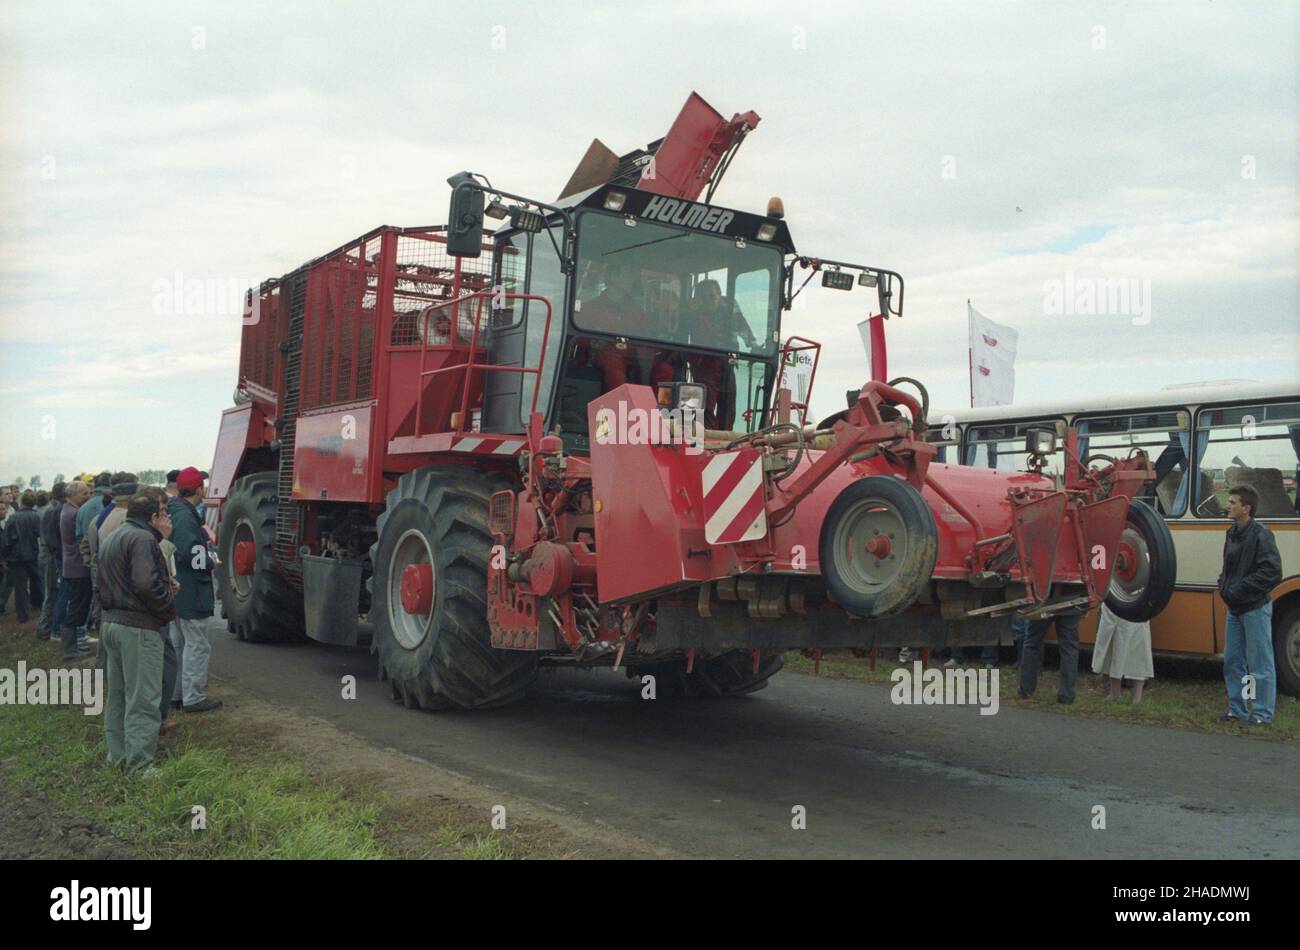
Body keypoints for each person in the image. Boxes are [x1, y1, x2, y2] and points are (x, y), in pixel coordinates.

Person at [97, 491, 176, 772]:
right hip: (138, 627)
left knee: (118, 696)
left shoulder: (114, 536)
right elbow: (144, 584)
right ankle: (140, 767)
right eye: (164, 514)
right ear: (152, 517)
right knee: (143, 698)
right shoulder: (143, 539)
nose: (167, 518)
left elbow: (111, 581)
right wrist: (168, 606)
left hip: (112, 623)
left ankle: (117, 758)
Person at [1217, 484, 1282, 726]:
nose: (1228, 506)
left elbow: (1272, 571)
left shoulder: (1261, 534)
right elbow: (1228, 568)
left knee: (1259, 664)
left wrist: (1237, 589)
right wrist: (1223, 585)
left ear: (1247, 508)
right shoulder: (1231, 533)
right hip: (1235, 608)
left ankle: (1262, 714)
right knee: (1234, 662)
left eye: (1233, 502)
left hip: (1255, 608)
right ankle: (1238, 709)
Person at [169, 468, 222, 713]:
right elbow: (189, 552)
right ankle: (193, 698)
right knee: (197, 645)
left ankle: (178, 695)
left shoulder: (177, 510)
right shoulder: (185, 516)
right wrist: (211, 562)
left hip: (182, 591)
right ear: (199, 489)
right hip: (191, 590)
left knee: (181, 644)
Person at [59, 479, 95, 660]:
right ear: (72, 494)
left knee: (76, 606)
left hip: (71, 566)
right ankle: (70, 650)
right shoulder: (74, 513)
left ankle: (72, 646)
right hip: (78, 567)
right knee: (76, 608)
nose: (88, 496)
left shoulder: (68, 510)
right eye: (84, 493)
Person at [1018, 606, 1083, 704]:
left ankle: (1026, 690)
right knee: (1069, 650)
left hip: (1043, 603)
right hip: (1071, 603)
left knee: (1032, 644)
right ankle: (1067, 696)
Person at [1093, 603, 1154, 703]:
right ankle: (1115, 693)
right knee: (1113, 646)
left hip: (1137, 605)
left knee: (1138, 649)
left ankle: (1137, 696)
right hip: (1113, 606)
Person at [3, 491, 44, 624]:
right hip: (32, 554)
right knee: (37, 581)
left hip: (16, 557)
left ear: (21, 502)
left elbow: (7, 539)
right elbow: (40, 535)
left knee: (20, 588)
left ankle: (23, 616)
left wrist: (6, 555)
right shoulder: (36, 517)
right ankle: (40, 607)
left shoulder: (13, 518)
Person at [41, 482, 68, 641]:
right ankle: (46, 630)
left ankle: (48, 628)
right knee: (52, 594)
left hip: (50, 554)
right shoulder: (57, 511)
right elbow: (54, 539)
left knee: (51, 594)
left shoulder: (51, 509)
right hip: (53, 556)